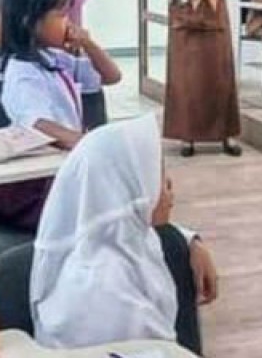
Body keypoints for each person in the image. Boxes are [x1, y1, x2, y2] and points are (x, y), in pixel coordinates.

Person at [31, 116, 217, 352]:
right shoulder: (104, 287)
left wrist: (189, 242)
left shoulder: (122, 239)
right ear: (127, 188)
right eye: (158, 177)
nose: (170, 188)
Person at [0, 0, 121, 231]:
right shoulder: (22, 73)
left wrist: (88, 44)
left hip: (65, 168)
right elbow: (40, 125)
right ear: (30, 22)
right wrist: (88, 144)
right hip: (39, 186)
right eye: (61, 16)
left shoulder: (54, 59)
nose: (69, 23)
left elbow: (111, 76)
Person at [158, 0, 249, 157]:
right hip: (185, 22)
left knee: (219, 78)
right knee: (187, 81)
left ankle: (226, 136)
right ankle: (187, 137)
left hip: (213, 20)